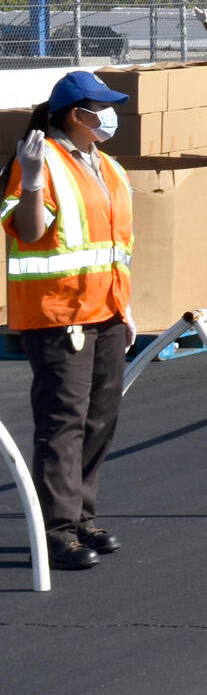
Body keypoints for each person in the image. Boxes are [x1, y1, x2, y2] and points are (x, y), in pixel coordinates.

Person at [1, 71, 136, 570]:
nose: (108, 115)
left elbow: (117, 248)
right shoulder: (40, 161)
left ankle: (81, 517)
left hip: (105, 310)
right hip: (59, 315)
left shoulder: (108, 166)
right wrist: (32, 182)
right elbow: (32, 232)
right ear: (76, 114)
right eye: (100, 107)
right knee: (64, 421)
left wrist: (126, 309)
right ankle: (58, 529)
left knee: (100, 418)